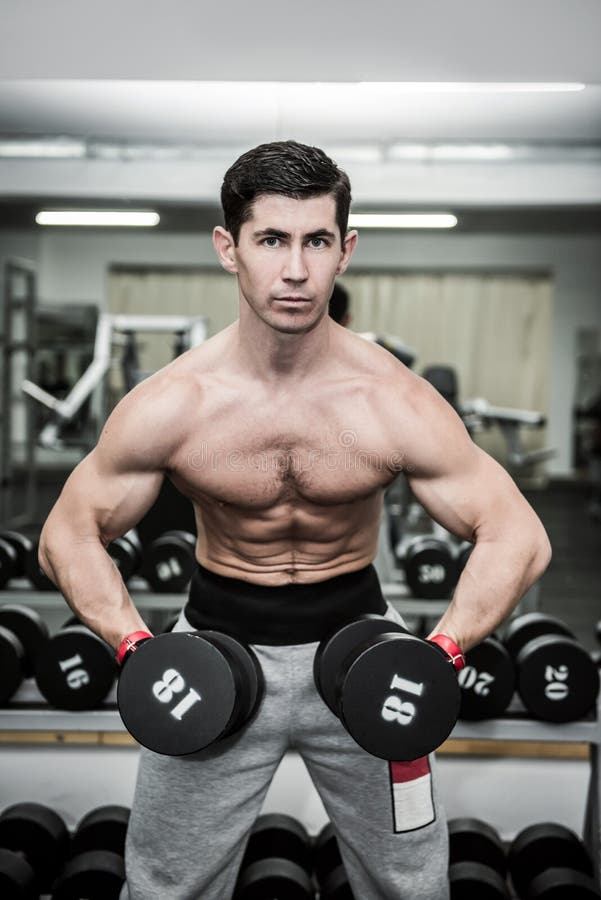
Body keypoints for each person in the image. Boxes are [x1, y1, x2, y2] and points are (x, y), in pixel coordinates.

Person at [38, 140, 551, 900]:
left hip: (362, 661)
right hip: (212, 653)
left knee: (410, 881)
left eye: (316, 241)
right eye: (271, 239)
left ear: (345, 250)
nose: (295, 269)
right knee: (166, 883)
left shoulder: (392, 401)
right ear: (228, 248)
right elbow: (66, 534)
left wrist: (440, 653)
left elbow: (518, 534)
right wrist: (138, 648)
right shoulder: (174, 404)